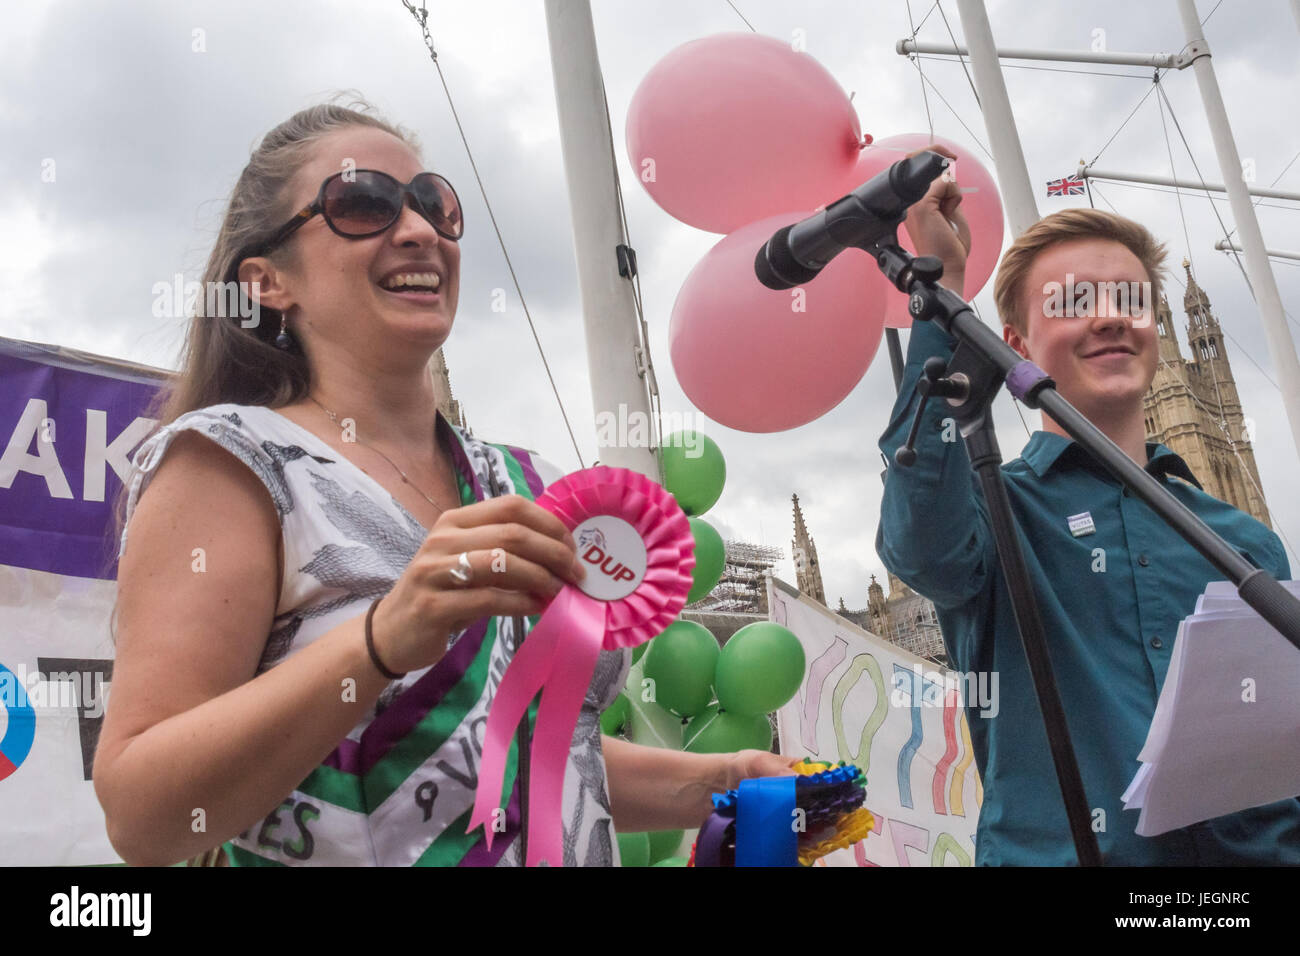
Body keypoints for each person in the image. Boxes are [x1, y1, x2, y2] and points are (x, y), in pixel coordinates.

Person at [93, 98, 792, 867]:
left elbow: (522, 753)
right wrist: (382, 640)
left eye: (434, 204)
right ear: (267, 282)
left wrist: (724, 781)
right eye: (363, 203)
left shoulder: (529, 484)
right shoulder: (233, 464)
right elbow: (145, 815)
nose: (420, 228)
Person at [876, 153, 1300, 865]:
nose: (1107, 318)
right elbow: (920, 537)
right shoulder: (992, 515)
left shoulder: (1245, 542)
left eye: (1131, 302)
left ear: (1160, 331)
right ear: (1014, 348)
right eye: (1072, 303)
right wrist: (943, 289)